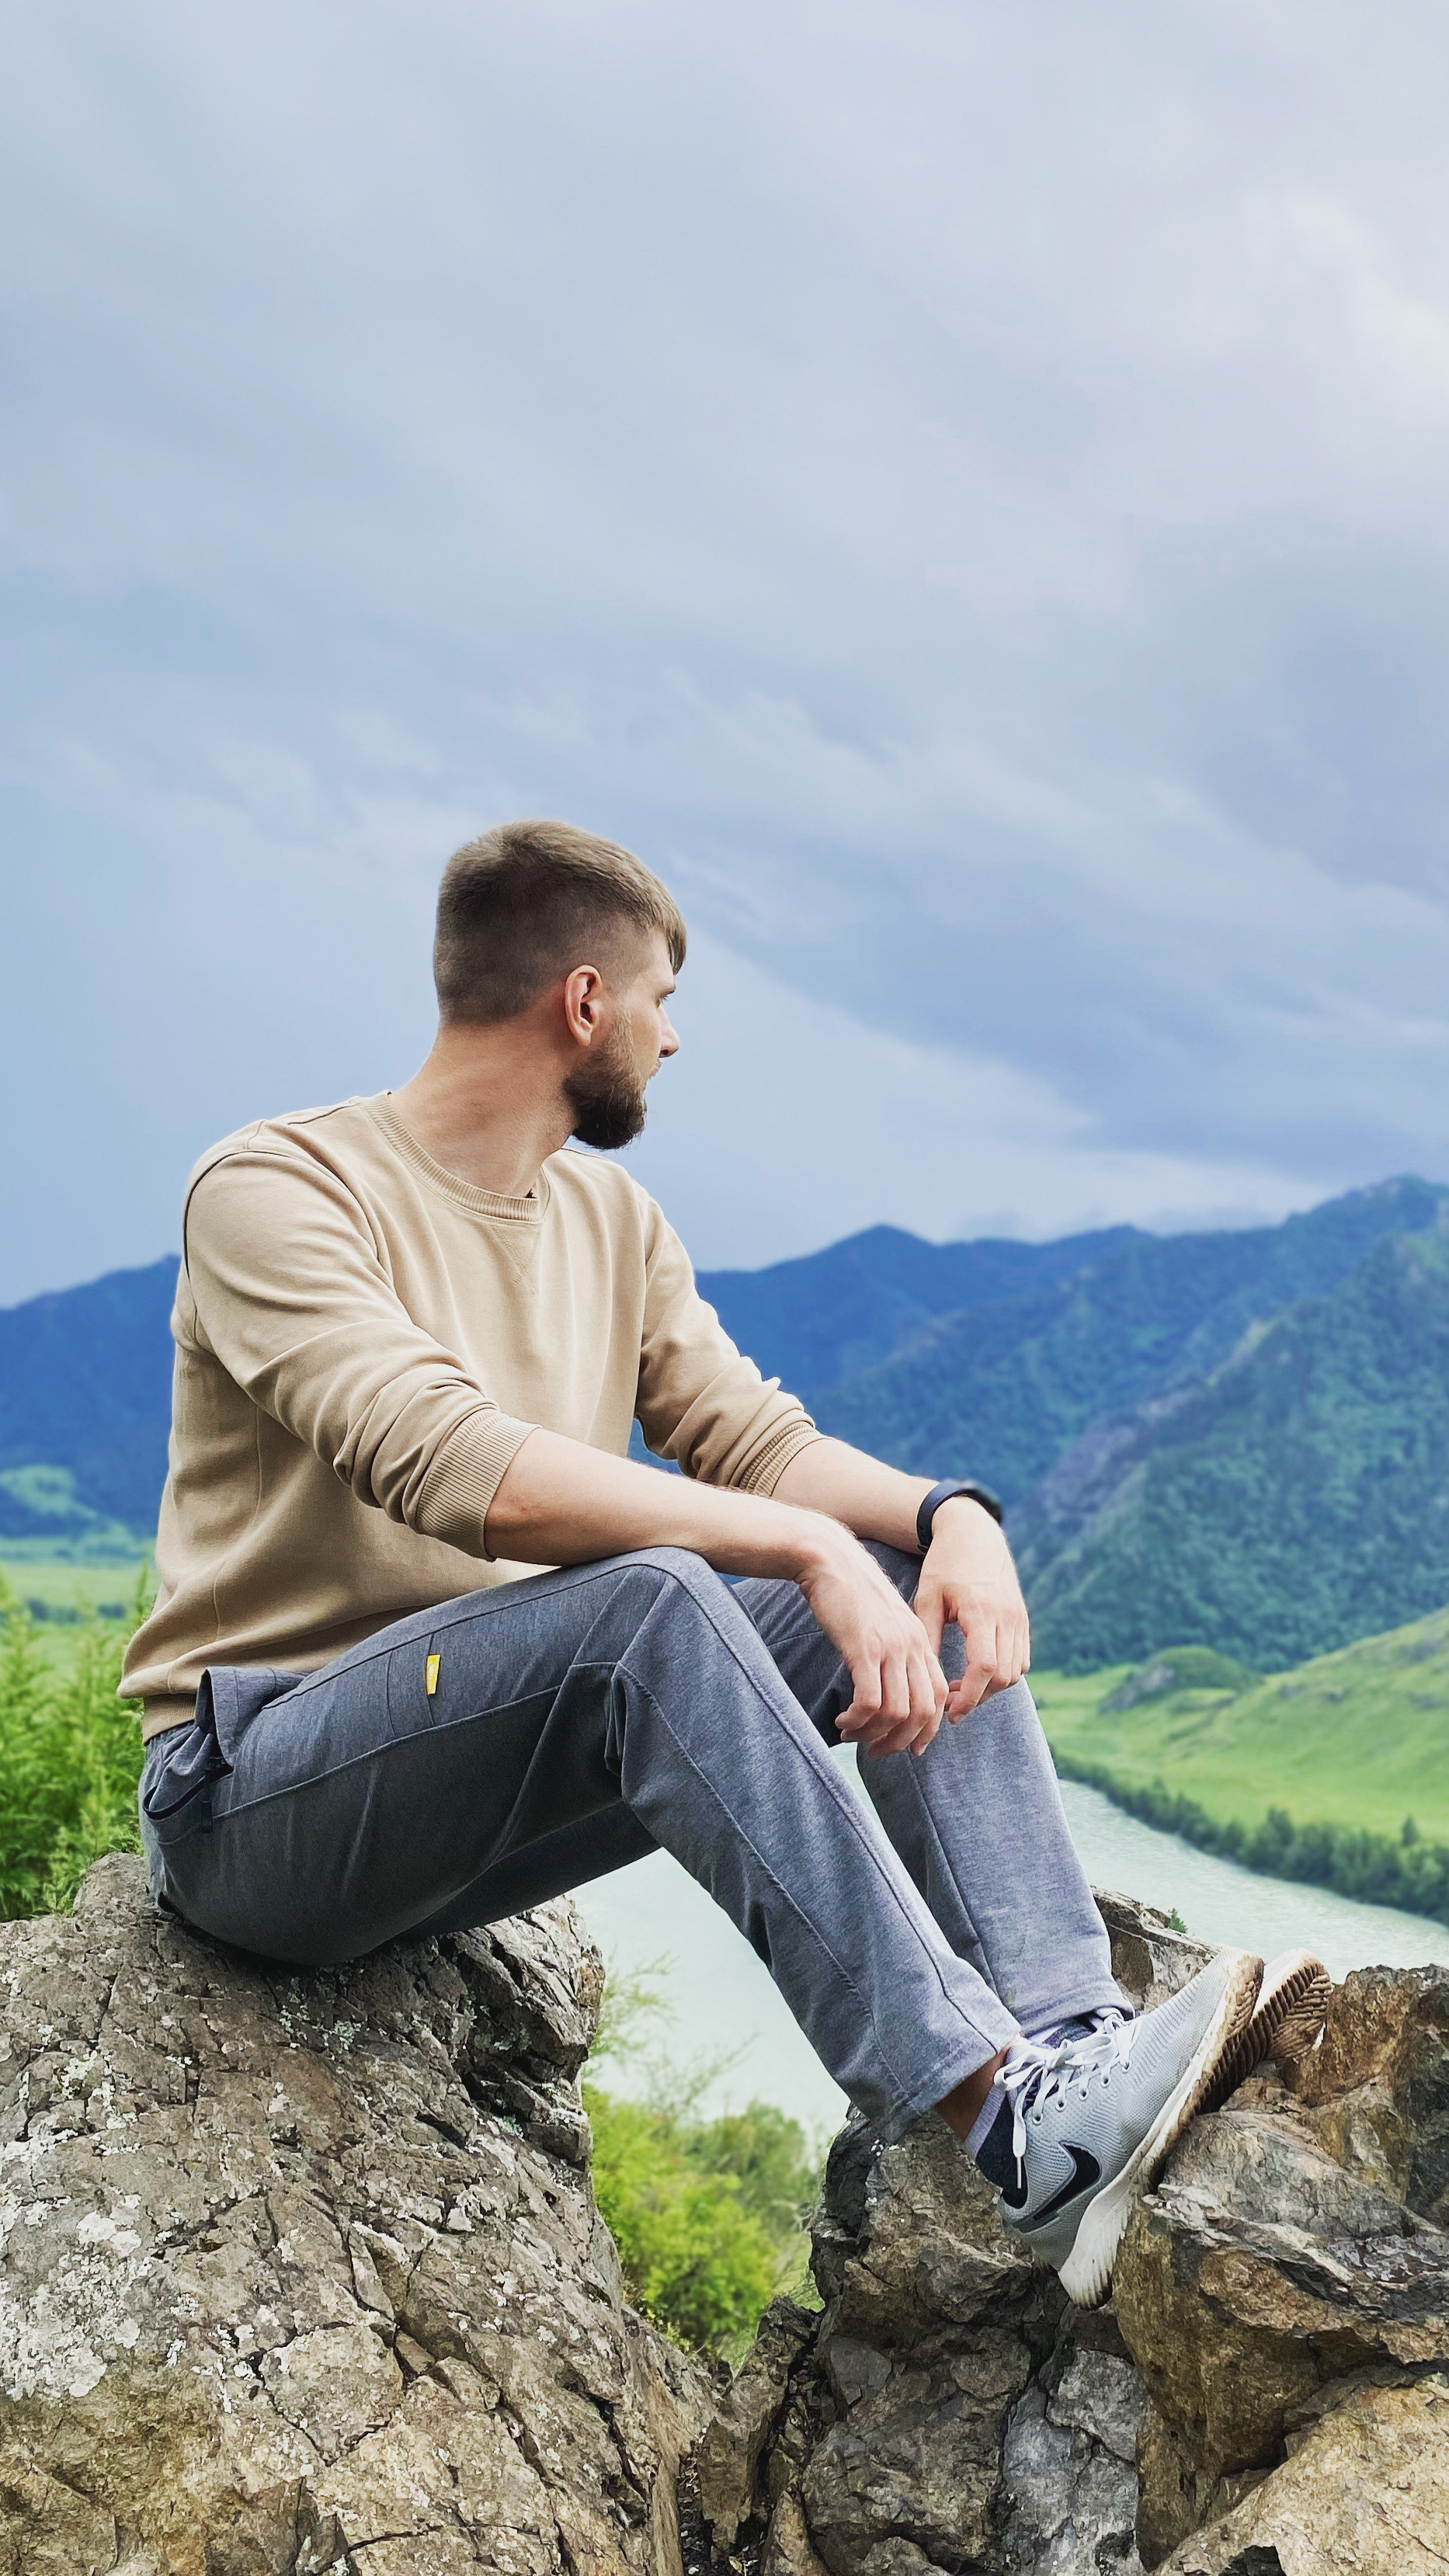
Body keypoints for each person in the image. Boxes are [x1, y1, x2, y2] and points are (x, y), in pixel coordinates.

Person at [121, 819, 1324, 2304]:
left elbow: (750, 1439)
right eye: (663, 1001)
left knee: (896, 1585)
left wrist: (947, 1516)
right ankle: (998, 2122)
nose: (674, 1040)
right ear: (584, 1003)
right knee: (660, 1605)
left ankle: (1070, 2058)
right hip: (257, 1806)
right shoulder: (274, 1187)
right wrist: (799, 1543)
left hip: (471, 1795)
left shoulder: (609, 1219)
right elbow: (440, 1458)